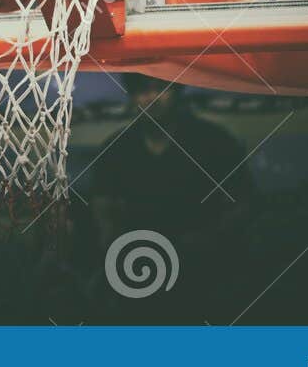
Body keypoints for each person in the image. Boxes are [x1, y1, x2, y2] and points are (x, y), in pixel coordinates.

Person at [89, 73, 253, 248]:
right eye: (142, 89)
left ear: (177, 90)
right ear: (132, 96)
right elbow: (103, 207)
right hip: (139, 257)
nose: (152, 98)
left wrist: (211, 240)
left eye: (161, 88)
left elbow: (242, 202)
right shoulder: (115, 148)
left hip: (204, 257)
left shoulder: (214, 141)